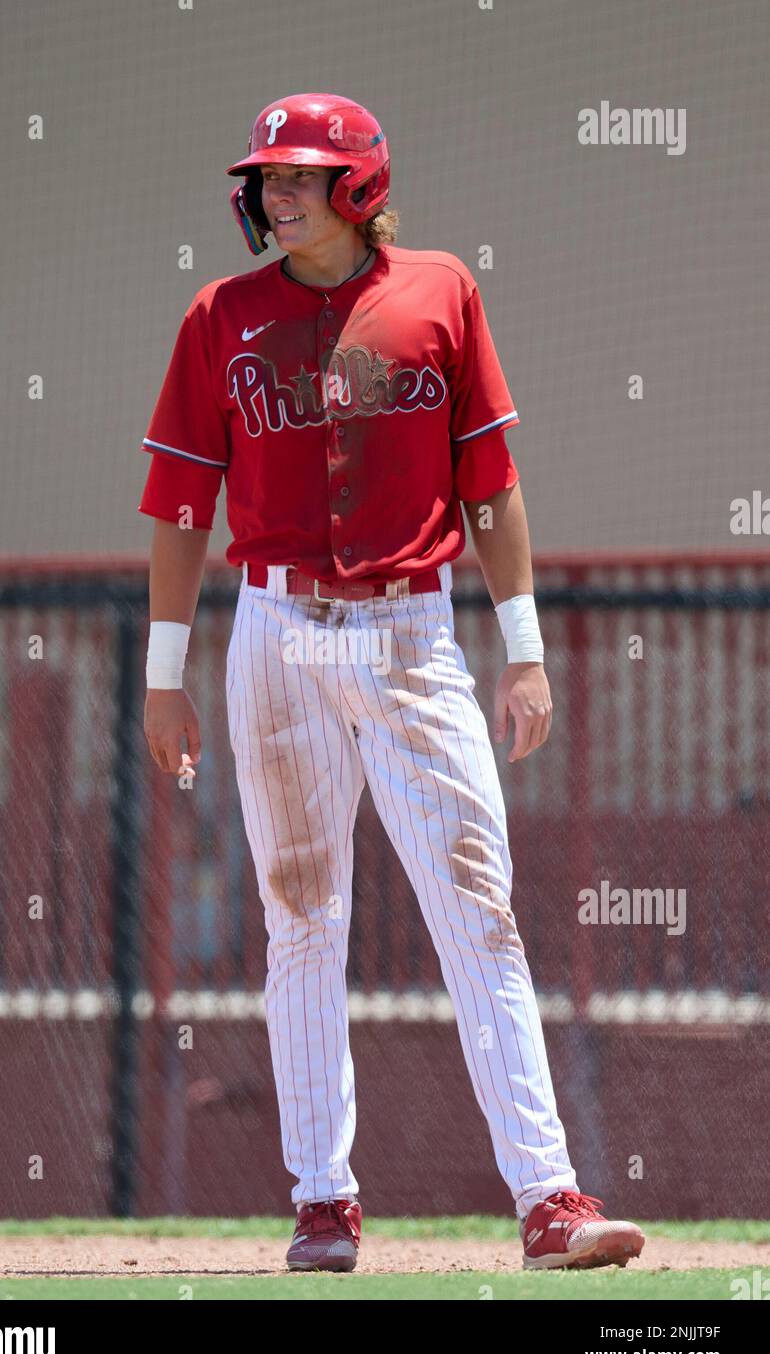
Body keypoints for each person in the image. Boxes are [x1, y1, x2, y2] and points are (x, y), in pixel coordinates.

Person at [138, 92, 645, 1274]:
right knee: (301, 920)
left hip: (410, 634)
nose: (277, 192)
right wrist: (164, 678)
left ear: (361, 184)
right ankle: (323, 1201)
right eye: (267, 175)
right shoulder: (222, 315)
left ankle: (549, 1198)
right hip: (274, 627)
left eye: (302, 173)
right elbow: (178, 505)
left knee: (479, 909)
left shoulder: (440, 292)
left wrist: (521, 650)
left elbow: (491, 483)